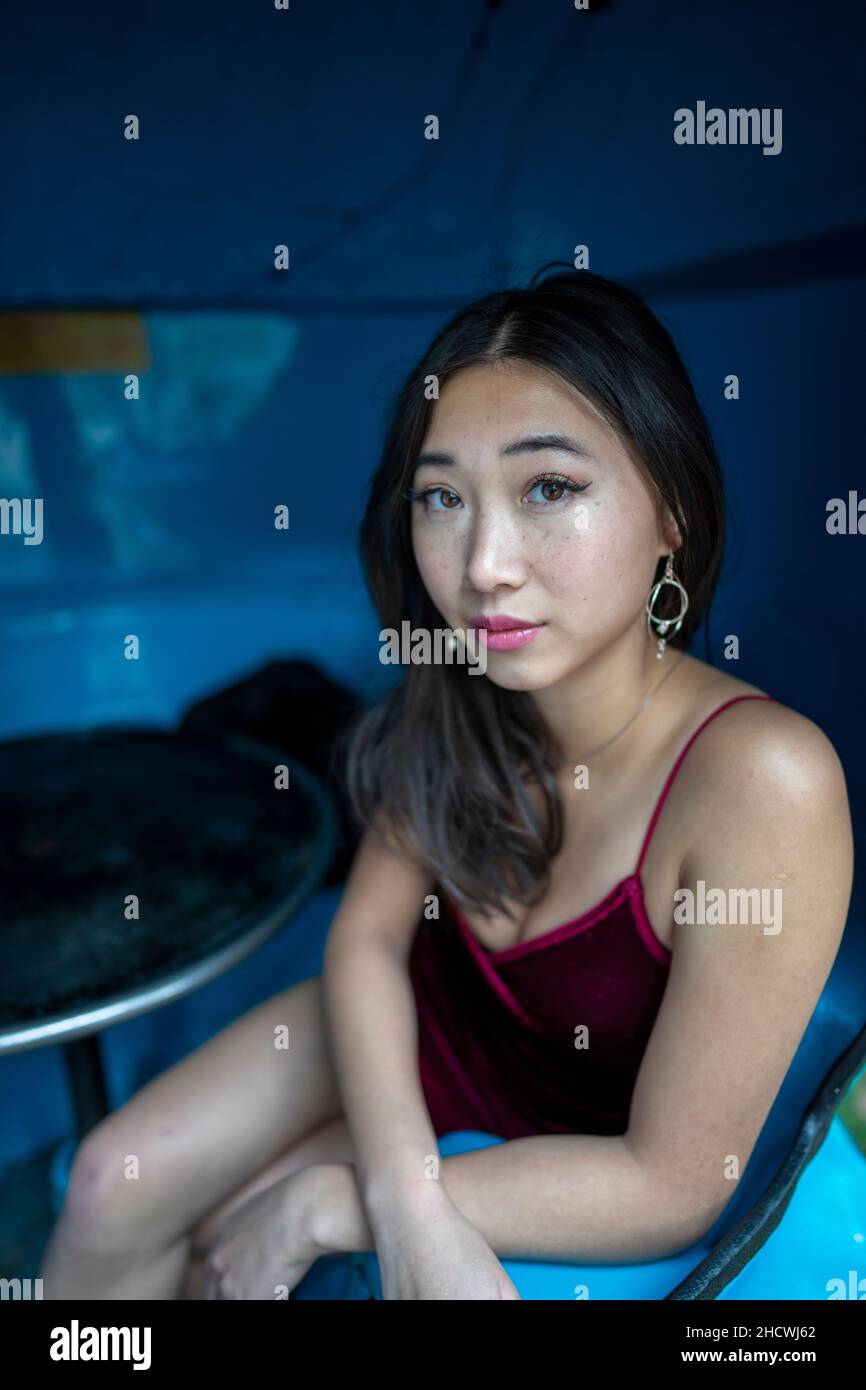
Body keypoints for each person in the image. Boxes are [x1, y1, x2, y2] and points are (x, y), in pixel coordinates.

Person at [39, 266, 853, 1300]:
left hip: (571, 1127)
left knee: (227, 1260)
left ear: (671, 511)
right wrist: (403, 1192)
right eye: (441, 498)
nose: (482, 565)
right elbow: (370, 939)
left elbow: (675, 1182)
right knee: (113, 1179)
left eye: (547, 487)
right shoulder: (456, 692)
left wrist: (330, 1202)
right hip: (412, 1034)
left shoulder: (763, 778)